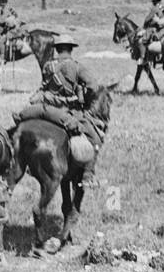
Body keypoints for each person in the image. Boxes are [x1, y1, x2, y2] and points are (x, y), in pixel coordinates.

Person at [16, 34, 104, 186]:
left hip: (46, 107)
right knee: (95, 138)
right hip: (68, 110)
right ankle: (88, 175)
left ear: (57, 49)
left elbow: (44, 86)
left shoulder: (48, 66)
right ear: (71, 49)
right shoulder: (76, 67)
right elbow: (94, 86)